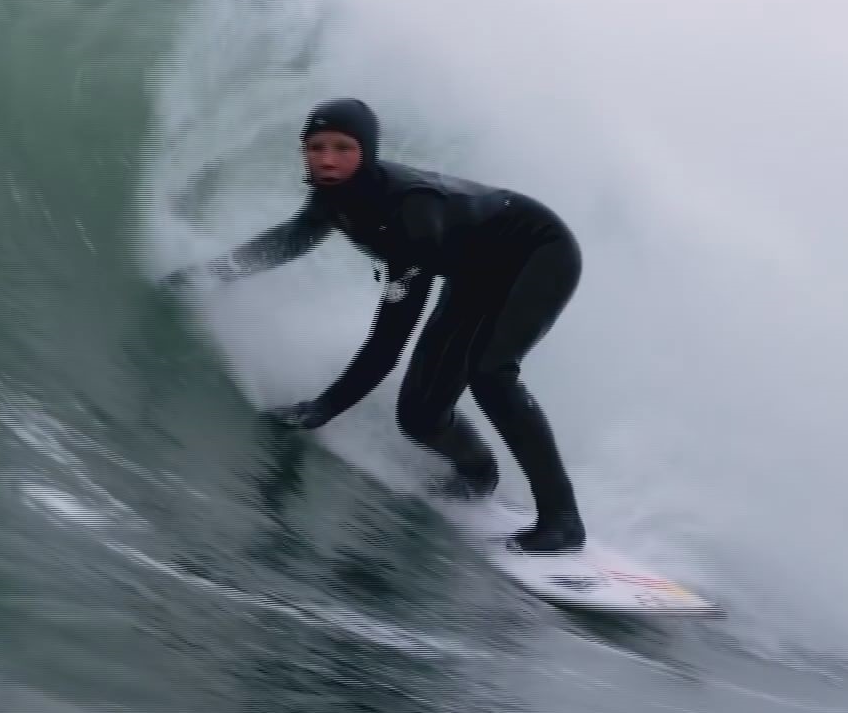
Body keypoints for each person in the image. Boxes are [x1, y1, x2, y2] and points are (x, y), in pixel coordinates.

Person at [161, 97, 588, 553]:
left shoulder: (411, 214)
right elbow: (288, 242)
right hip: (475, 272)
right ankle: (477, 472)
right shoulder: (334, 198)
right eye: (316, 147)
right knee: (420, 415)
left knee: (491, 374)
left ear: (367, 151)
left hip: (539, 252)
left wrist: (325, 407)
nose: (327, 160)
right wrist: (209, 274)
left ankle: (563, 521)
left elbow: (390, 340)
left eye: (342, 148)